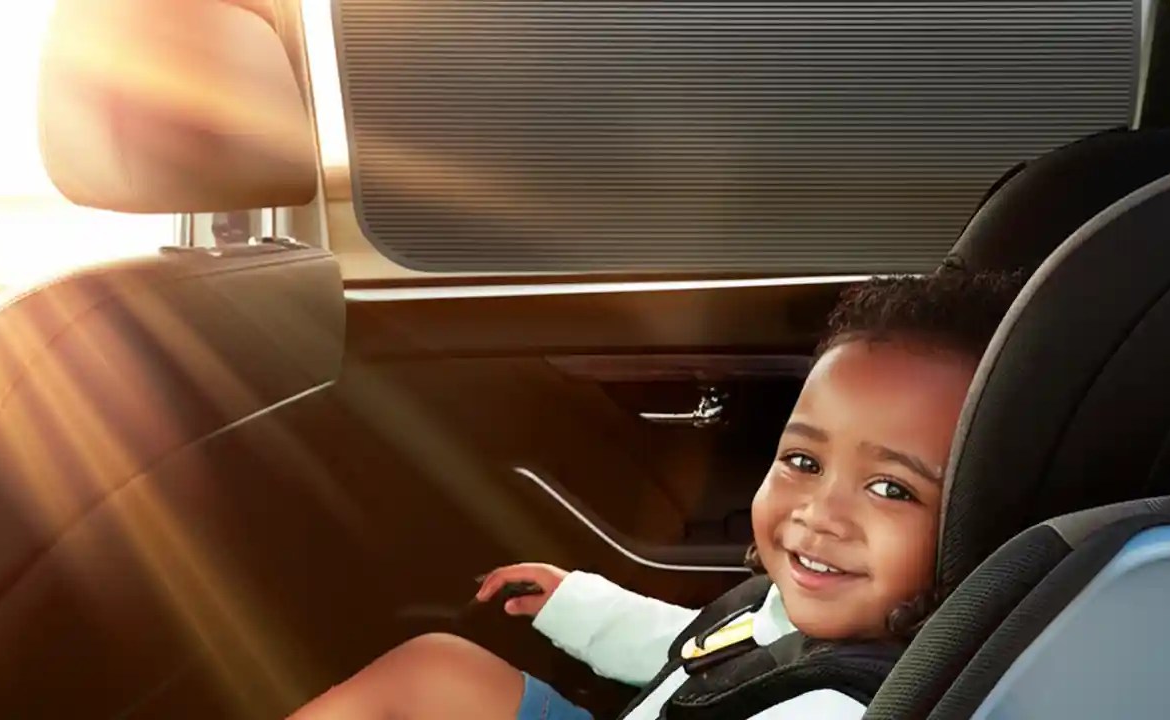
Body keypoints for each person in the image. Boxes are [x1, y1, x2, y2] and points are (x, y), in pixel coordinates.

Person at [290, 270, 1025, 720]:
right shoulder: (797, 607)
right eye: (803, 460)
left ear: (977, 521)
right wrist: (576, 602)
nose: (819, 512)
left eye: (891, 488)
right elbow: (700, 648)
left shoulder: (841, 706)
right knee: (437, 667)